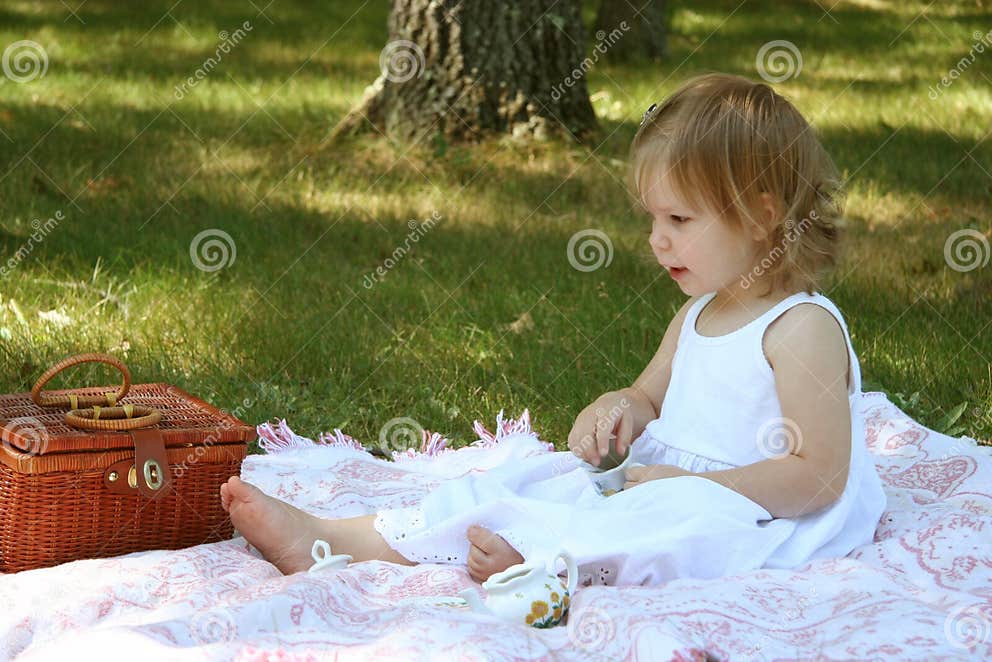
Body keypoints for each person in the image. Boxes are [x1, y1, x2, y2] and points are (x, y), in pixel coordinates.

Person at [219, 72, 887, 588]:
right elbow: (648, 396)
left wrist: (694, 489)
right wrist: (618, 407)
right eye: (651, 219)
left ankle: (547, 562)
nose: (657, 241)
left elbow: (820, 479)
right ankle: (348, 539)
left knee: (674, 533)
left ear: (762, 215)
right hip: (666, 484)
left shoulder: (799, 329)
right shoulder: (700, 312)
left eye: (680, 221)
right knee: (535, 481)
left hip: (758, 510)